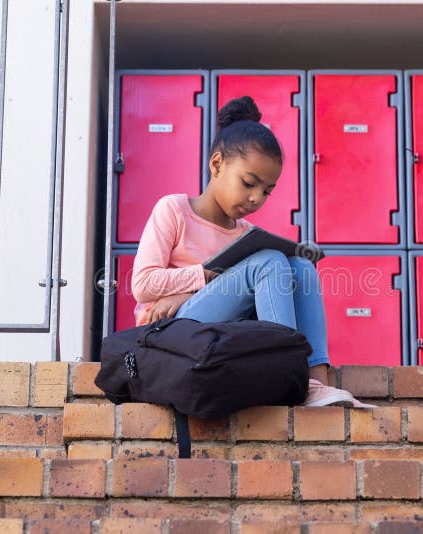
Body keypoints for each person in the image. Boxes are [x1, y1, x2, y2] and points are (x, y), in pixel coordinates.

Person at [131, 95, 372, 408]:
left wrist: (188, 292)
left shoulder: (245, 235)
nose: (256, 198)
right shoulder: (174, 209)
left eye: (267, 191)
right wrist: (203, 277)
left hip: (218, 333)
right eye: (248, 183)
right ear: (217, 164)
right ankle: (288, 375)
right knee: (270, 261)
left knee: (301, 266)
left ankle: (315, 382)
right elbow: (143, 284)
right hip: (169, 335)